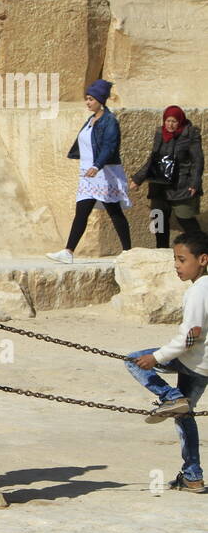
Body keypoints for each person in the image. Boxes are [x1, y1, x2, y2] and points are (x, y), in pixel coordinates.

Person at [123, 231, 208, 493]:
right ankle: (192, 476)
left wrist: (156, 357)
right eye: (175, 259)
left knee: (133, 360)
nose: (176, 266)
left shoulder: (198, 292)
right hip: (203, 365)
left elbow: (190, 338)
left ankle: (169, 395)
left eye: (182, 260)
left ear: (203, 259)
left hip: (193, 361)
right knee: (184, 416)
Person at [48, 80, 133, 264]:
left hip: (104, 173)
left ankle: (128, 252)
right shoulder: (91, 119)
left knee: (114, 211)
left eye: (91, 99)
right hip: (88, 174)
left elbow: (109, 146)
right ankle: (68, 251)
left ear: (100, 100)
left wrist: (97, 165)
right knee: (82, 212)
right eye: (86, 99)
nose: (87, 102)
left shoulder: (109, 121)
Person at [130, 106, 203, 249]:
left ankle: (202, 250)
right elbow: (153, 158)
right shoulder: (160, 133)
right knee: (158, 220)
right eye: (168, 121)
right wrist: (138, 179)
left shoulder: (190, 134)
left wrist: (195, 183)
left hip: (181, 185)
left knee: (185, 218)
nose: (170, 124)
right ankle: (161, 251)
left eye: (174, 121)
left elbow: (198, 161)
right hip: (159, 185)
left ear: (180, 121)